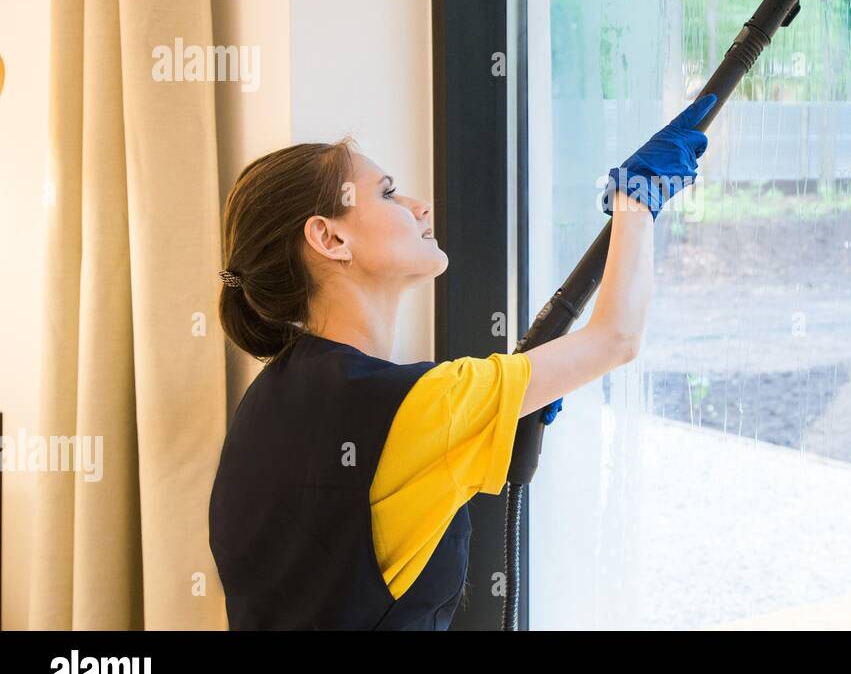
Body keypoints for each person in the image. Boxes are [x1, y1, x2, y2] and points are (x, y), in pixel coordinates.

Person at [208, 93, 717, 629]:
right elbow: (616, 338)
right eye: (387, 194)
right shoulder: (420, 403)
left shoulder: (261, 406)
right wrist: (636, 204)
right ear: (330, 238)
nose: (419, 205)